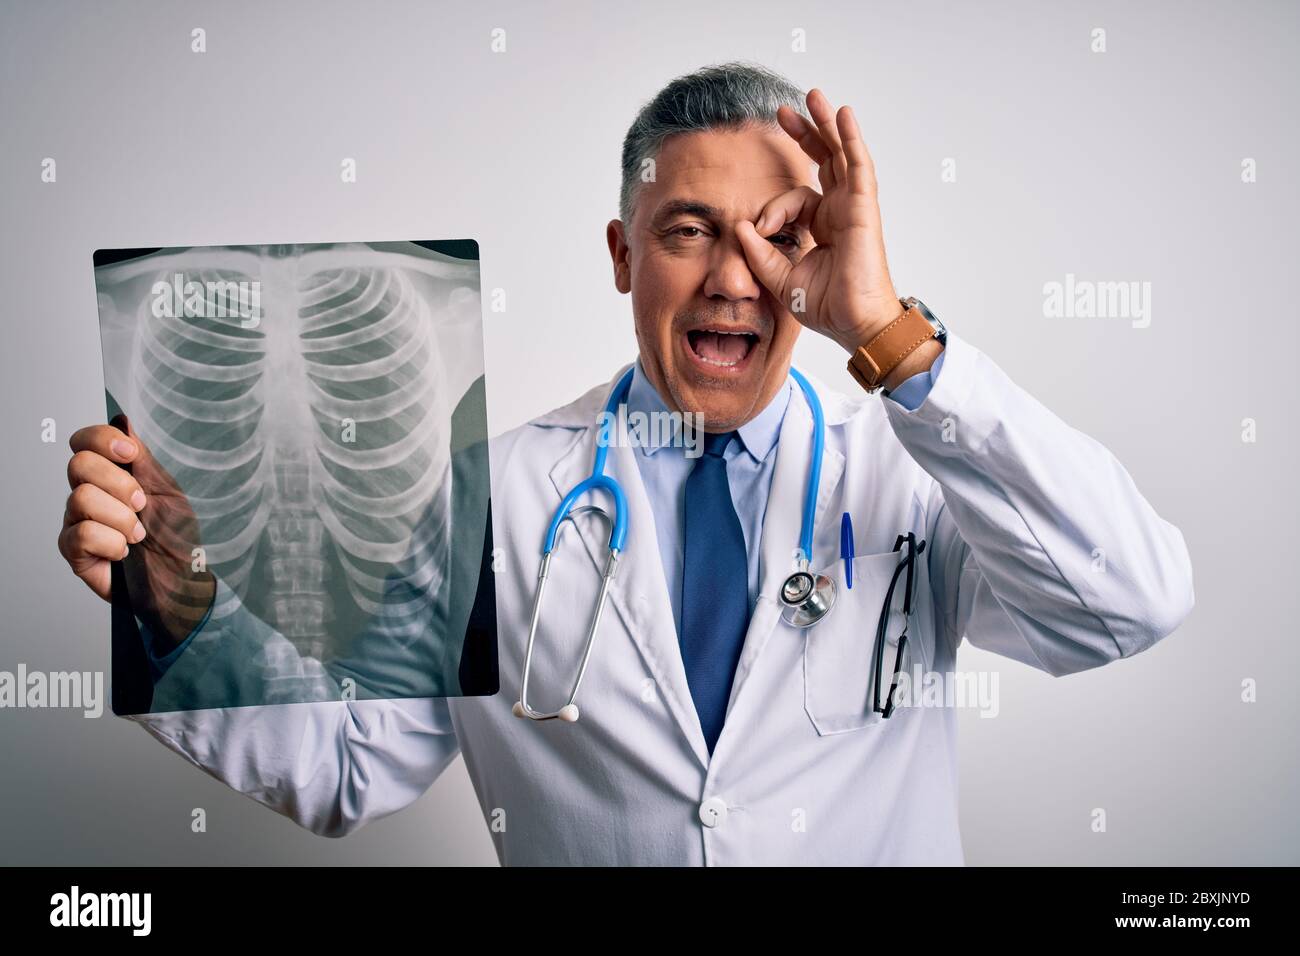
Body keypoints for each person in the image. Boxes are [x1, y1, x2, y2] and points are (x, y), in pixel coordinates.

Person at [57, 62, 1194, 865]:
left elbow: (1125, 602)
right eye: (689, 229)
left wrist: (894, 337)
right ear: (622, 255)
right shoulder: (494, 495)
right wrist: (180, 601)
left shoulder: (910, 463)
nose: (736, 278)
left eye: (780, 232)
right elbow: (352, 760)